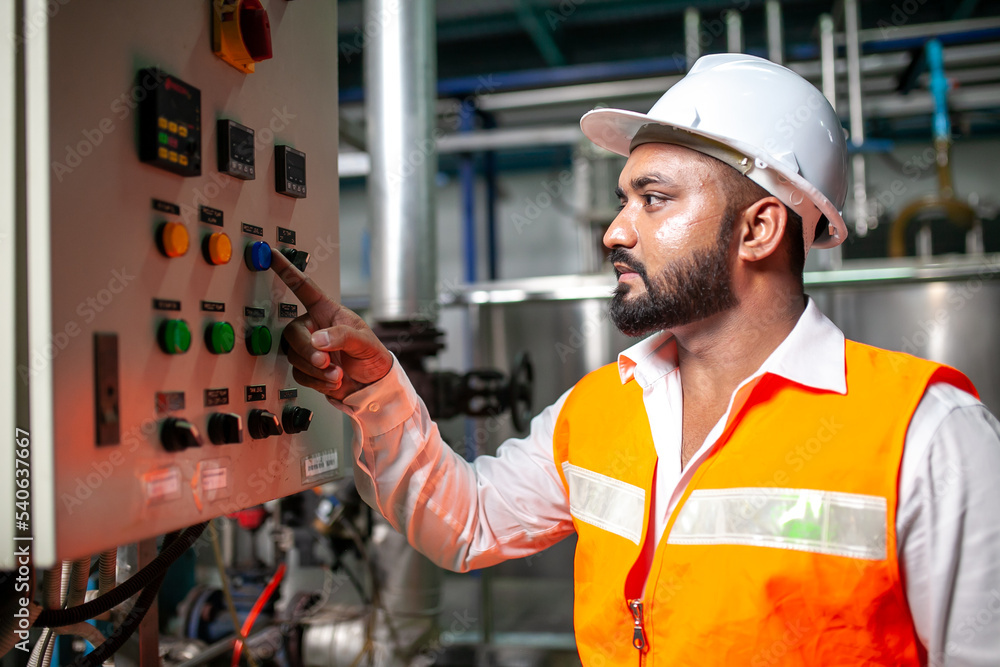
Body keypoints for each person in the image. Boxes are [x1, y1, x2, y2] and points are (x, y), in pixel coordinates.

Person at [273, 54, 1000, 665]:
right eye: (626, 199)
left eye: (653, 200)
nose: (615, 231)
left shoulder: (925, 434)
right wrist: (377, 392)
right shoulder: (604, 406)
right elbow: (467, 522)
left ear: (759, 228)